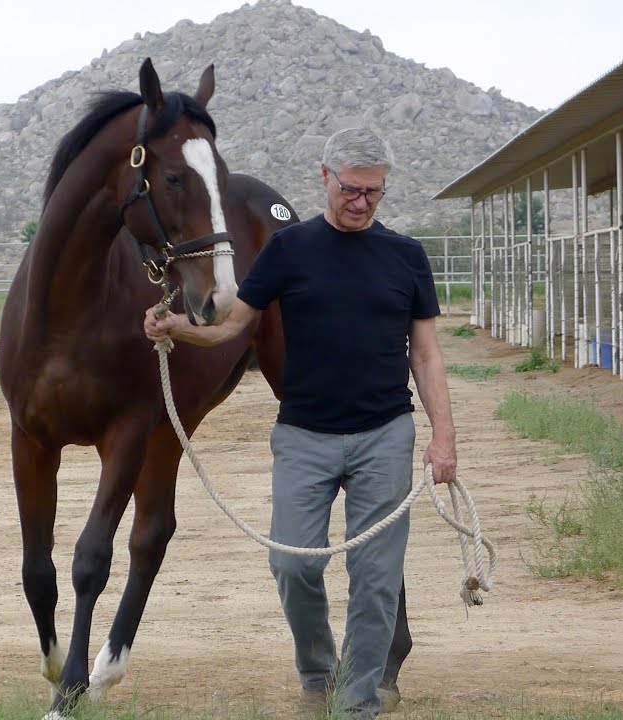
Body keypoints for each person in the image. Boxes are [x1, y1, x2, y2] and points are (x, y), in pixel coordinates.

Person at [142, 127, 457, 719]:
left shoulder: (407, 258)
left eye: (374, 192)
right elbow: (235, 327)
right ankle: (318, 673)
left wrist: (444, 436)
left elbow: (426, 354)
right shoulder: (288, 251)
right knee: (292, 563)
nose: (362, 201)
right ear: (325, 177)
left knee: (376, 574)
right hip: (304, 437)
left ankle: (358, 699)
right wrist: (178, 329)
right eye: (352, 189)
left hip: (385, 435)